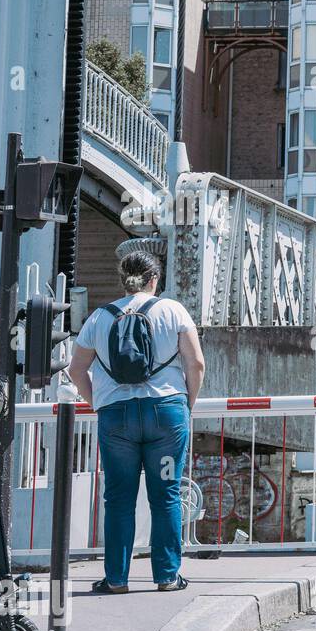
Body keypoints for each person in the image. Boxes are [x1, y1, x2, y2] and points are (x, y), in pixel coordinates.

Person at [69, 252, 206, 594]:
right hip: (165, 414)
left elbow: (76, 370)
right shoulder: (172, 310)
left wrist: (99, 403)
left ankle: (116, 578)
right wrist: (184, 406)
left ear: (122, 279)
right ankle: (167, 576)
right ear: (154, 279)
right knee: (166, 495)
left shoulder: (99, 317)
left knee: (118, 498)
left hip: (116, 417)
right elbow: (196, 364)